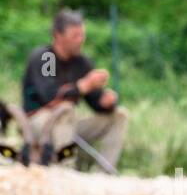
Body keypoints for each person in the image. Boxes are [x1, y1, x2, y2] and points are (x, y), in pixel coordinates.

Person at [22, 9, 128, 170]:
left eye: (82, 35)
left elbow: (94, 101)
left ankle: (103, 175)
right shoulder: (47, 58)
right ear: (58, 35)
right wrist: (83, 85)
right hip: (39, 123)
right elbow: (50, 97)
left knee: (120, 115)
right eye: (75, 36)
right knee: (65, 109)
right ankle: (66, 171)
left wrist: (105, 102)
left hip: (68, 127)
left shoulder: (81, 62)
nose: (80, 40)